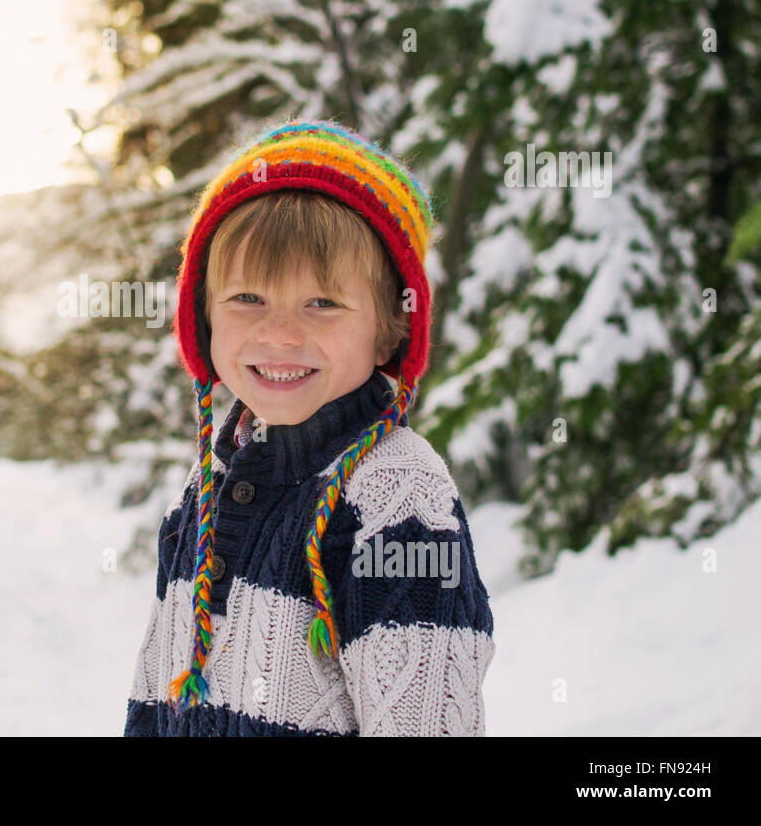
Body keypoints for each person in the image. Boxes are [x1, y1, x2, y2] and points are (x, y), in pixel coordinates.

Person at [123, 119, 495, 736]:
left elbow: (423, 719)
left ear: (388, 330)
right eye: (248, 299)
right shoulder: (209, 482)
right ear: (203, 318)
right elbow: (155, 691)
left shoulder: (396, 496)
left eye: (322, 303)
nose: (280, 333)